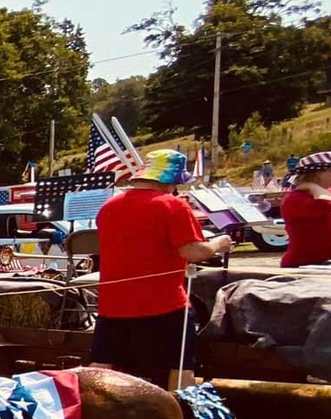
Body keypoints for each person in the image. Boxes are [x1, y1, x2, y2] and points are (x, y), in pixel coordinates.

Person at [91, 149, 231, 388]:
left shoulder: (108, 207)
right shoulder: (173, 206)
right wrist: (219, 244)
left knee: (101, 369)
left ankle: (92, 416)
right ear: (171, 180)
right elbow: (193, 253)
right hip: (163, 304)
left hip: (113, 304)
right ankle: (181, 418)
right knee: (179, 369)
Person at [280, 150, 331, 269]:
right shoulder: (295, 199)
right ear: (318, 173)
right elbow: (327, 204)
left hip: (326, 262)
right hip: (304, 265)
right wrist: (312, 185)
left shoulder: (327, 192)